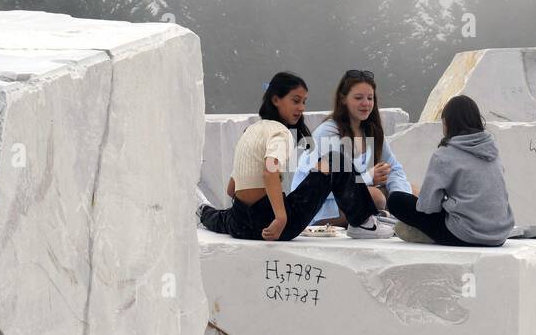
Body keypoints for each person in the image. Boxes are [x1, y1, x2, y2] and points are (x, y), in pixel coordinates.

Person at [198, 71, 394, 241]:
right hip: (274, 224)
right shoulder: (280, 132)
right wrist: (280, 218)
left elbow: (232, 189)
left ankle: (203, 212)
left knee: (221, 218)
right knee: (336, 160)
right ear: (276, 100)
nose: (301, 108)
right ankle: (363, 223)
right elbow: (269, 171)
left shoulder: (250, 131)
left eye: (304, 102)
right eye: (295, 101)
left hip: (240, 224)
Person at [386, 95, 515, 246]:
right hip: (499, 235)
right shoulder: (491, 149)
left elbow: (427, 206)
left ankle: (425, 234)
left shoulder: (445, 154)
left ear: (447, 123)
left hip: (465, 234)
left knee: (396, 200)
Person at [291, 69, 413, 226]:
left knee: (412, 192)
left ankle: (389, 218)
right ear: (343, 99)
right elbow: (321, 186)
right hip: (317, 206)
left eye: (370, 98)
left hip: (351, 197)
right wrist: (369, 178)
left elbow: (394, 169)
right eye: (358, 98)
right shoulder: (328, 133)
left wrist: (400, 201)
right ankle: (380, 218)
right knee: (376, 197)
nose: (366, 103)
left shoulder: (370, 131)